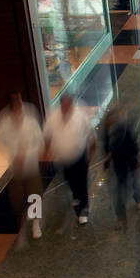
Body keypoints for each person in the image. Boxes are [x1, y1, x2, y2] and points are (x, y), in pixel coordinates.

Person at [0, 93, 45, 244]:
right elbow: (1, 144)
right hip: (16, 170)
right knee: (17, 200)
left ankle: (36, 224)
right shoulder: (4, 124)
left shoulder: (30, 123)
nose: (20, 113)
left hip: (31, 167)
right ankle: (22, 224)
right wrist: (14, 156)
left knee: (35, 195)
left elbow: (40, 143)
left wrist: (26, 154)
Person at [43, 94, 95, 225]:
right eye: (63, 106)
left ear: (72, 105)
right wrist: (48, 150)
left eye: (68, 106)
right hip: (64, 158)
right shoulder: (53, 118)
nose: (66, 109)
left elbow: (91, 137)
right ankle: (76, 196)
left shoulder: (80, 117)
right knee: (71, 181)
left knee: (82, 182)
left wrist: (91, 156)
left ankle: (84, 209)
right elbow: (48, 135)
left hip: (80, 156)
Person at [101, 100, 140, 230]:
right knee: (120, 189)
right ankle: (120, 217)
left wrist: (136, 164)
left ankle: (138, 198)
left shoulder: (126, 129)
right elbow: (106, 148)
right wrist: (107, 162)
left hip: (130, 160)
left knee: (135, 182)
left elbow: (134, 146)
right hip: (119, 164)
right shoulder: (107, 131)